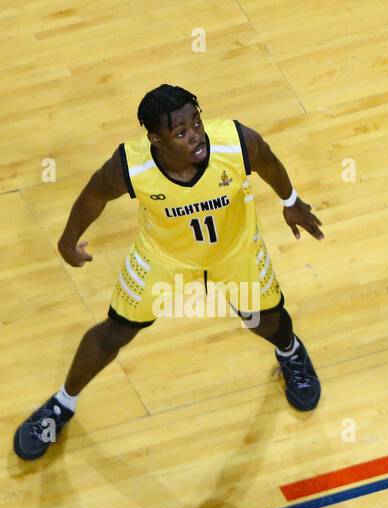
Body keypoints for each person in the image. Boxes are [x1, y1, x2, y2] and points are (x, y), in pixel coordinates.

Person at [13, 84, 324, 461]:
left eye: (196, 122)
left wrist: (290, 201)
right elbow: (95, 194)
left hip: (234, 249)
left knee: (262, 320)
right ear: (156, 140)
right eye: (181, 132)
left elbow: (268, 161)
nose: (195, 135)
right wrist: (67, 241)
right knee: (115, 332)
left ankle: (290, 353)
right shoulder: (131, 166)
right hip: (165, 257)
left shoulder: (236, 141)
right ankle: (61, 405)